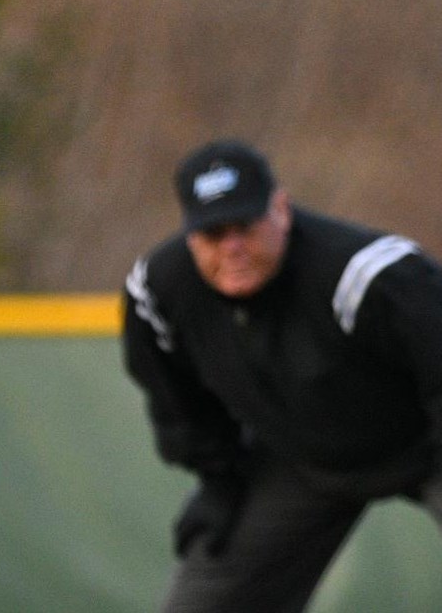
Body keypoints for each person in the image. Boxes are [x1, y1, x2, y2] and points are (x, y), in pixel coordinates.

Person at [122, 138, 442, 612]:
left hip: (430, 441)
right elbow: (179, 401)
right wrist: (219, 479)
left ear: (281, 209)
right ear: (190, 236)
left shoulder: (365, 273)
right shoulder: (160, 291)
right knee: (203, 598)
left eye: (245, 227)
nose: (232, 247)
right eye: (213, 233)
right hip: (305, 457)